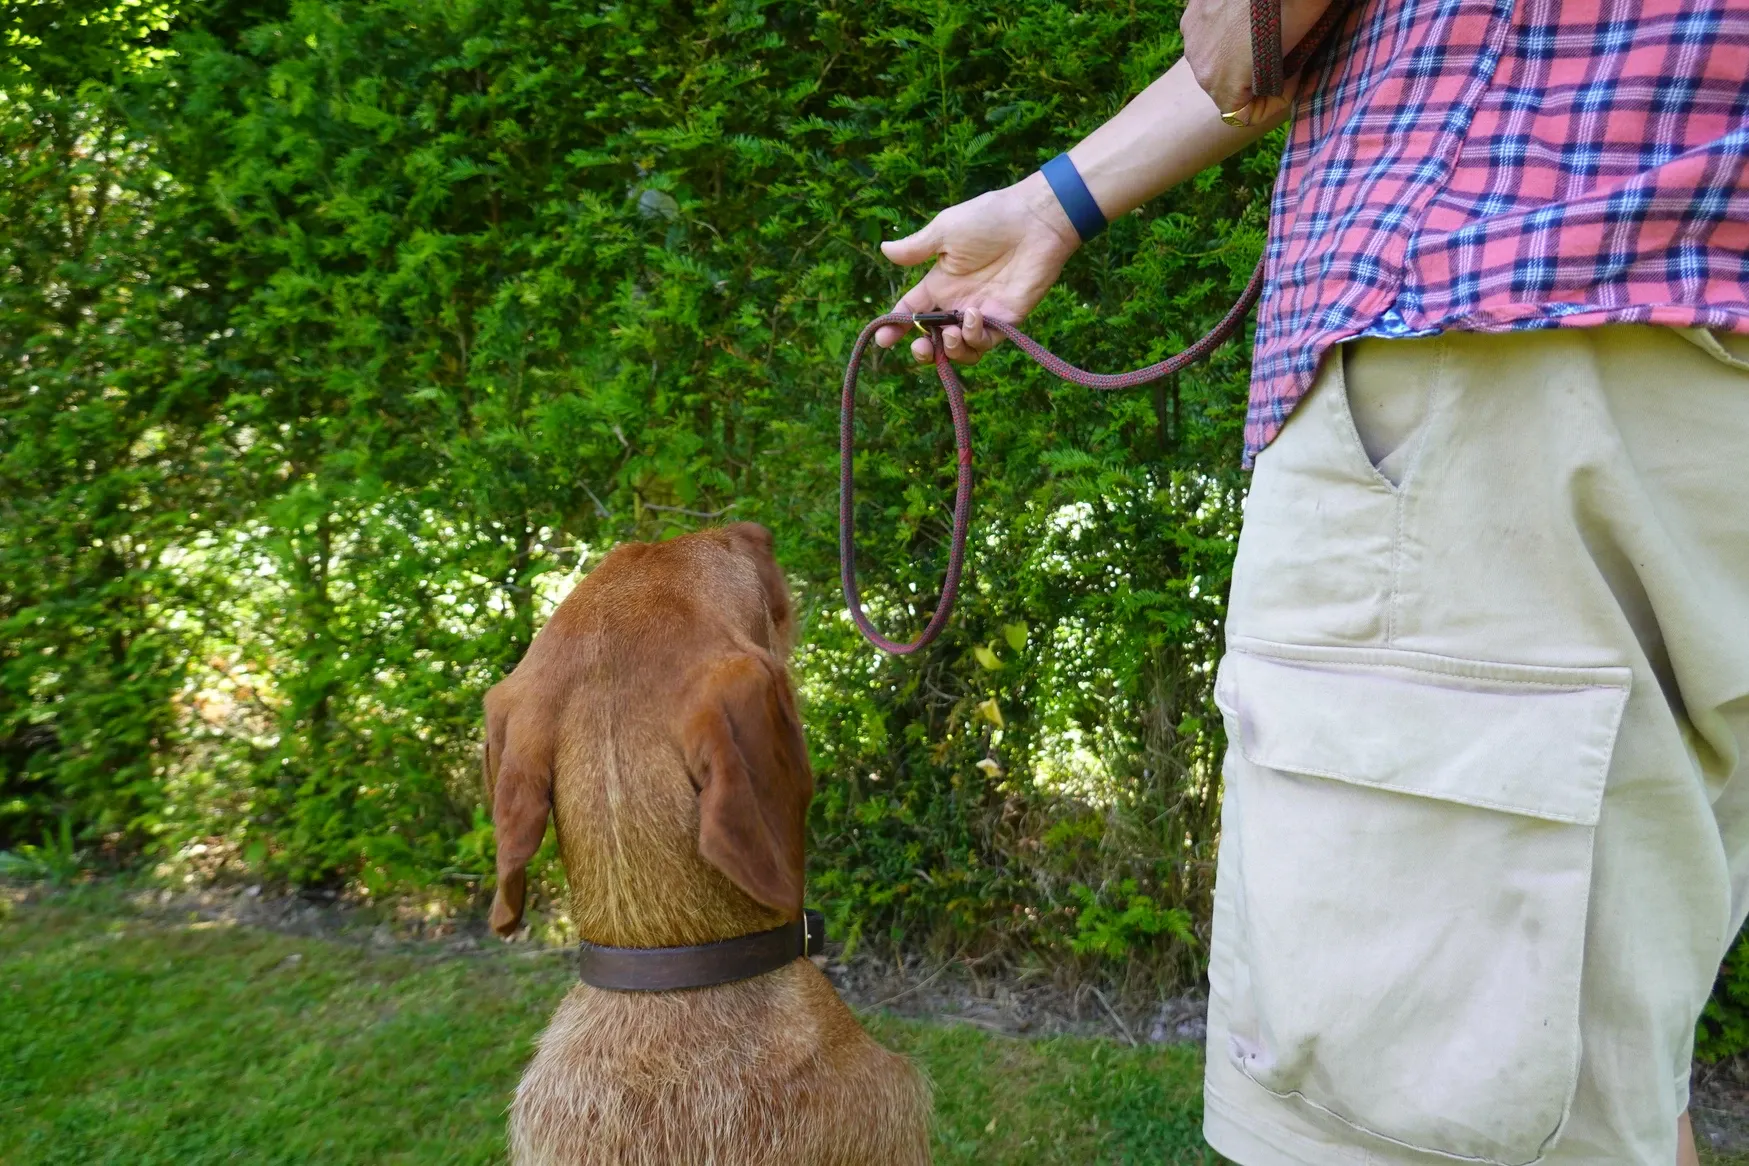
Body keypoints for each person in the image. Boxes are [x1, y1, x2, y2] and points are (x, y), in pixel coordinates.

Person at [875, 1, 1749, 1163]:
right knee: (1609, 1067)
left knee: (1412, 1121)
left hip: (1499, 321)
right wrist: (1052, 204)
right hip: (1669, 385)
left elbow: (1260, 26)